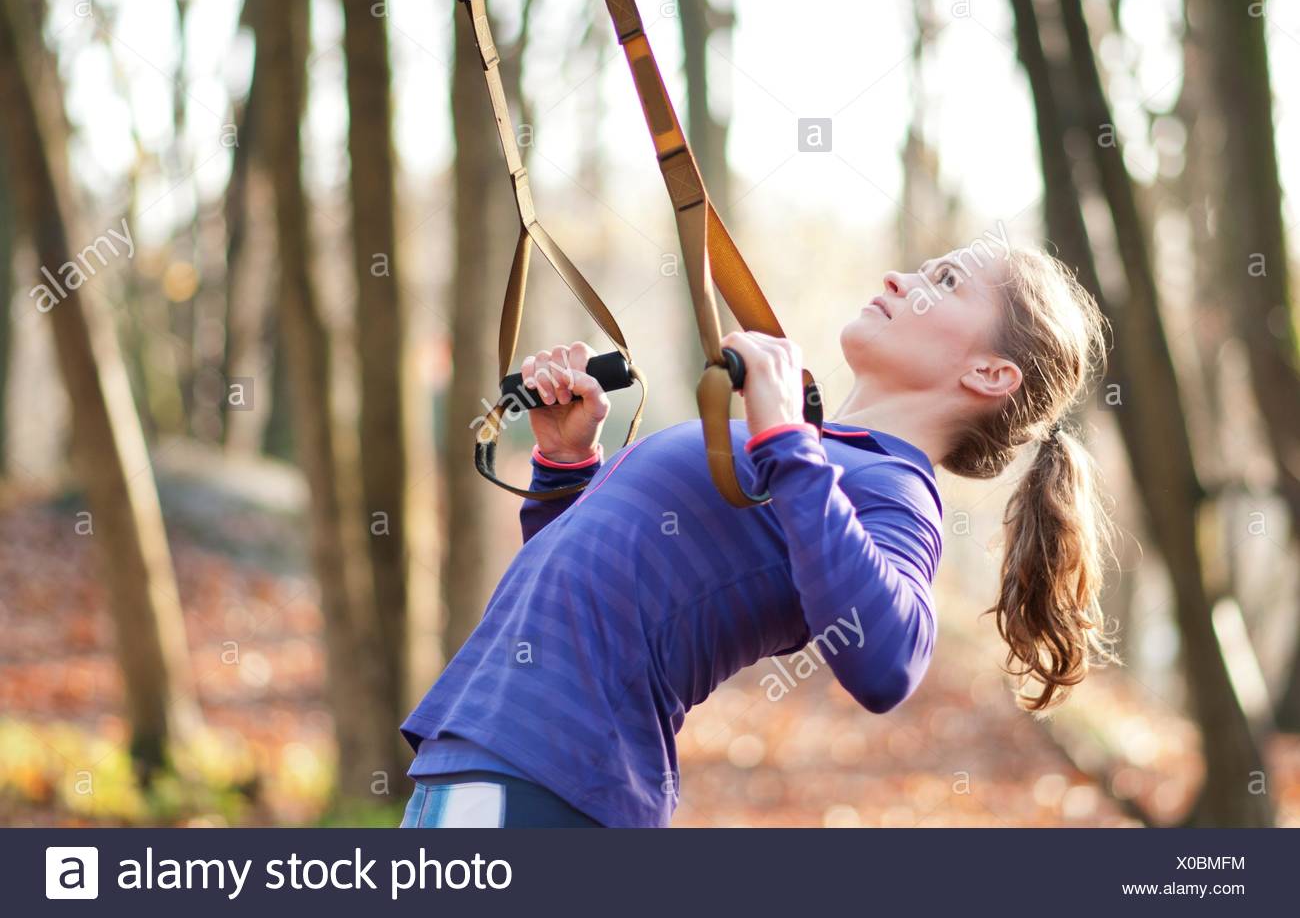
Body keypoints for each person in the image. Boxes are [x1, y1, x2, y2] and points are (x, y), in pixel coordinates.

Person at [398, 246, 1116, 828]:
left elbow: (888, 662)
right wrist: (564, 463)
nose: (903, 277)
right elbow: (581, 593)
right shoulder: (806, 452)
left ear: (989, 373)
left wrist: (785, 437)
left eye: (946, 280)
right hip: (495, 753)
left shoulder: (892, 489)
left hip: (545, 776)